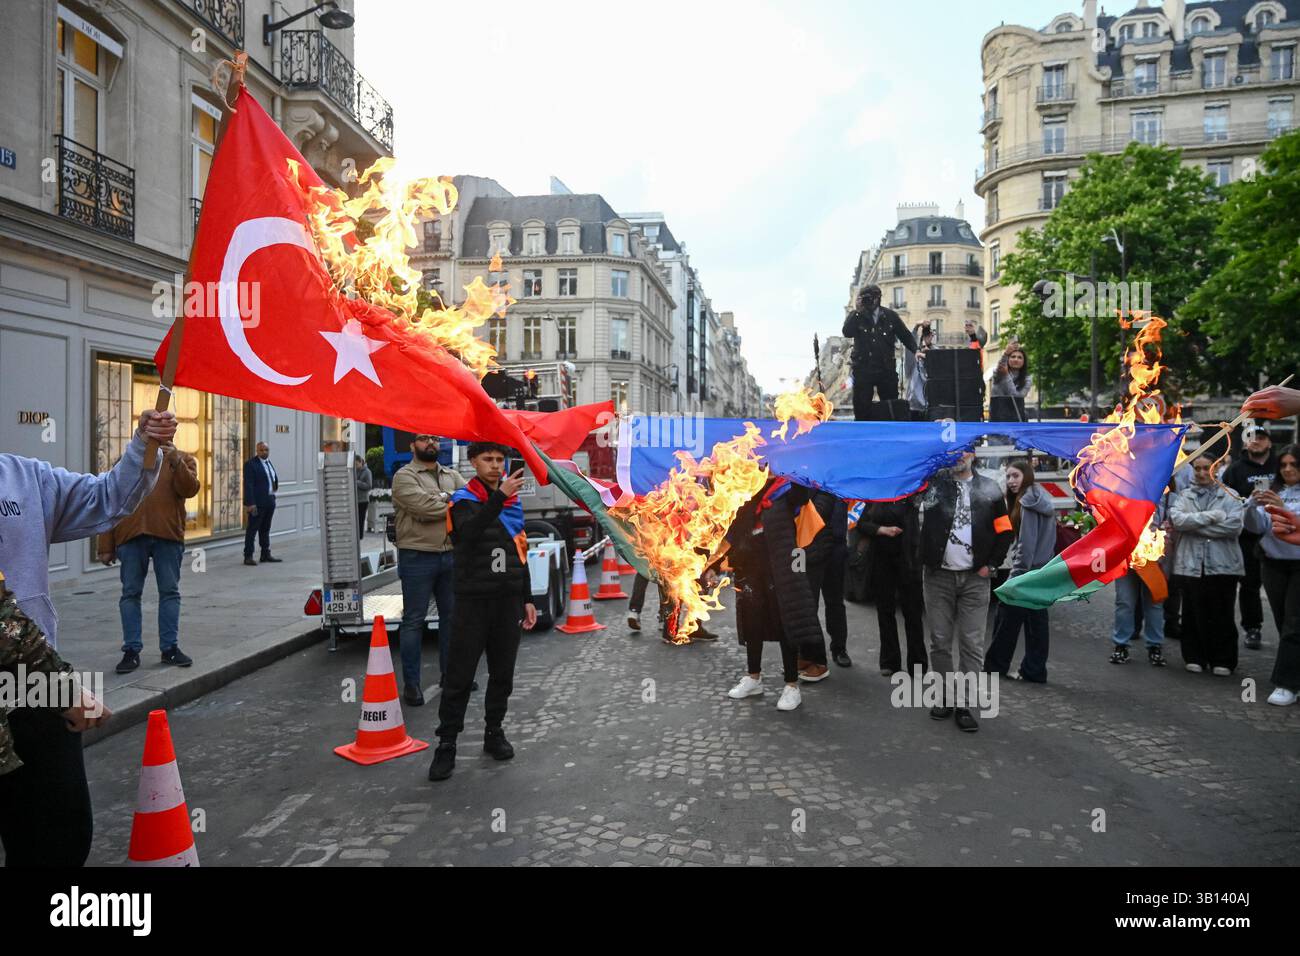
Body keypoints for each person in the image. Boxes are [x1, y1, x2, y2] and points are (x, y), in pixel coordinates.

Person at [0, 408, 174, 866]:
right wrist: (62, 687)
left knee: (60, 841)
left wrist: (144, 446)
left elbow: (106, 498)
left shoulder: (23, 477)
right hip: (44, 682)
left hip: (34, 695)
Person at [429, 444, 536, 782]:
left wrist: (527, 597)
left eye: (499, 460)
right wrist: (498, 498)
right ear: (473, 462)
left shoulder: (511, 503)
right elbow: (468, 535)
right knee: (459, 678)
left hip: (507, 602)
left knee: (502, 675)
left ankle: (494, 732)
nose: (494, 465)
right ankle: (446, 745)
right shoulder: (462, 500)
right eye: (487, 460)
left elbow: (520, 551)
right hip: (473, 602)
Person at [918, 450, 1013, 732]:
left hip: (975, 580)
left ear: (973, 455)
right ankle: (945, 697)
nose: (958, 457)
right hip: (938, 577)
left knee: (972, 645)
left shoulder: (990, 489)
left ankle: (964, 705)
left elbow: (1005, 530)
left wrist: (991, 565)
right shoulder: (934, 485)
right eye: (952, 452)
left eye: (963, 451)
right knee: (939, 641)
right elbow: (909, 494)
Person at [724, 477, 826, 712]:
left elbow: (804, 493)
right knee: (752, 624)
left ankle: (792, 686)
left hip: (781, 570)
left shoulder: (788, 489)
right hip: (750, 570)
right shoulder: (745, 491)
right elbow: (734, 531)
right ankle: (753, 678)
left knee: (784, 626)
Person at [98, 447, 201, 674]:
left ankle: (170, 648)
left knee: (169, 591)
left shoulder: (182, 458)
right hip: (130, 535)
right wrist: (106, 544)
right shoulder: (127, 458)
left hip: (168, 535)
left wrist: (175, 460)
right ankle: (131, 650)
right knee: (131, 593)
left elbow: (190, 489)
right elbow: (111, 498)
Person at [392, 434, 465, 705]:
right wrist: (451, 500)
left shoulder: (451, 474)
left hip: (449, 556)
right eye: (424, 439)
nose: (430, 443)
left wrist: (446, 499)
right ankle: (412, 685)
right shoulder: (404, 476)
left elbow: (470, 500)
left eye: (434, 438)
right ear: (412, 445)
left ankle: (451, 677)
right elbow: (422, 509)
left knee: (452, 619)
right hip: (417, 557)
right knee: (413, 621)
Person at [1169, 457, 1245, 675]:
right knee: (1193, 612)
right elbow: (1178, 521)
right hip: (1191, 564)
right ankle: (1194, 655)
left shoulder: (1230, 495)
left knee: (1222, 612)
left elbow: (1233, 527)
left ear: (1217, 468)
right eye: (1197, 468)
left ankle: (1223, 658)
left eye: (1206, 468)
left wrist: (1195, 525)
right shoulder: (1185, 495)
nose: (1201, 472)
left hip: (1223, 565)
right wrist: (1213, 516)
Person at [984, 459, 1055, 681]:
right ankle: (1034, 671)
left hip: (1028, 573)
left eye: (1015, 476)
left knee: (1007, 619)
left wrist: (1015, 577)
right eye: (1008, 476)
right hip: (1041, 570)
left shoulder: (1028, 502)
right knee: (1036, 623)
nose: (1011, 481)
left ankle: (996, 666)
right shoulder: (1040, 497)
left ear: (1027, 475)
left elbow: (1027, 545)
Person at [1244, 445, 1300, 705]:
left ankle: (1286, 683)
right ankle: (1294, 674)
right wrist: (1251, 507)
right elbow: (1258, 527)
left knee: (1293, 623)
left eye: (1294, 464)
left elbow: (1292, 525)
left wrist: (1282, 509)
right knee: (1282, 622)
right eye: (1284, 465)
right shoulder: (1275, 491)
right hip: (1273, 564)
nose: (1288, 469)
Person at [1221, 424, 1277, 649]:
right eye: (1252, 437)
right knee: (1250, 584)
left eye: (1261, 437)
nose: (1256, 441)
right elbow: (1225, 500)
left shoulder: (1281, 465)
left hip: (1280, 535)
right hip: (1246, 538)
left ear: (1269, 442)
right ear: (1245, 442)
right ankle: (1253, 628)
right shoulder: (1234, 470)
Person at [861, 495, 926, 677]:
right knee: (885, 611)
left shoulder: (913, 492)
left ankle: (918, 665)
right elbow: (859, 523)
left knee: (913, 613)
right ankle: (889, 662)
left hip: (910, 560)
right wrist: (881, 530)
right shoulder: (875, 494)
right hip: (881, 560)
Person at [1109, 485, 1173, 667]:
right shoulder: (1123, 491)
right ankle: (1121, 645)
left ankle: (1155, 646)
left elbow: (1174, 521)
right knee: (1124, 602)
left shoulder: (1167, 494)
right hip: (1127, 555)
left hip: (1155, 558)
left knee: (1154, 602)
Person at [842, 284, 917, 419]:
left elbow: (905, 335)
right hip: (863, 369)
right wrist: (856, 311)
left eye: (868, 298)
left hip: (886, 368)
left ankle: (889, 435)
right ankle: (863, 435)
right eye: (863, 298)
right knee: (861, 408)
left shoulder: (890, 316)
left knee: (890, 407)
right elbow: (846, 332)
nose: (866, 301)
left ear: (877, 298)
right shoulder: (858, 316)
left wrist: (917, 351)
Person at [797, 490, 850, 677]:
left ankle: (839, 649)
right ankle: (807, 654)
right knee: (807, 602)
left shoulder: (837, 480)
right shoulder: (810, 478)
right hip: (811, 549)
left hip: (836, 546)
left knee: (835, 602)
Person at [242, 441, 281, 566]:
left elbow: (272, 479)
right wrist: (250, 503)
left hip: (269, 500)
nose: (264, 452)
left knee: (265, 528)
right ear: (257, 451)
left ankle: (265, 553)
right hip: (257, 503)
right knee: (252, 530)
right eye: (262, 450)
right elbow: (248, 485)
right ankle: (248, 556)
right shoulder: (251, 464)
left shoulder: (269, 463)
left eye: (266, 450)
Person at [354, 454, 373, 543]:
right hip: (355, 499)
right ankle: (356, 535)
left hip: (363, 500)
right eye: (355, 464)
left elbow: (369, 485)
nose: (356, 466)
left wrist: (357, 483)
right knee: (355, 519)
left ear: (361, 462)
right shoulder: (355, 471)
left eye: (357, 464)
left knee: (361, 519)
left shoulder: (367, 472)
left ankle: (360, 536)